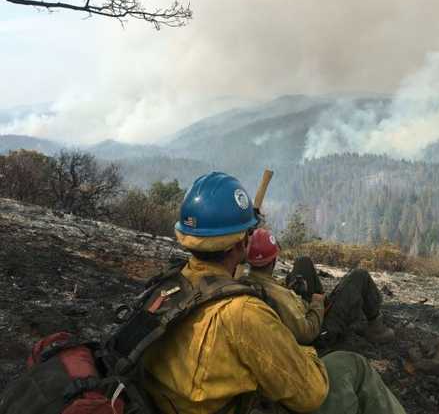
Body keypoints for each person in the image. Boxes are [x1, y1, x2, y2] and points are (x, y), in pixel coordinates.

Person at [142, 171, 406, 414]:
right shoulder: (243, 313)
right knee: (353, 366)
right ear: (241, 243)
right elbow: (310, 394)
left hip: (176, 403)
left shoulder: (167, 287)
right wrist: (303, 352)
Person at [244, 228, 395, 346]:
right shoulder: (278, 297)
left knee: (303, 262)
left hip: (299, 310)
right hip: (318, 334)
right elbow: (307, 334)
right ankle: (376, 328)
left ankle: (328, 306)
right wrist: (317, 303)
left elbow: (276, 291)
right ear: (274, 260)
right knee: (359, 276)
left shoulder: (250, 281)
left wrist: (289, 288)